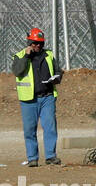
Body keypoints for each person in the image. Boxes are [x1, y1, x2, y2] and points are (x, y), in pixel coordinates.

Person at [12, 28, 61, 167]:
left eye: (40, 43)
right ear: (29, 42)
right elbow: (18, 71)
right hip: (28, 100)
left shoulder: (49, 55)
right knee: (29, 130)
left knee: (50, 127)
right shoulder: (20, 56)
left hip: (47, 97)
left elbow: (58, 71)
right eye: (35, 43)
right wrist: (26, 57)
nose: (38, 46)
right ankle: (32, 157)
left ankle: (51, 156)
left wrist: (57, 78)